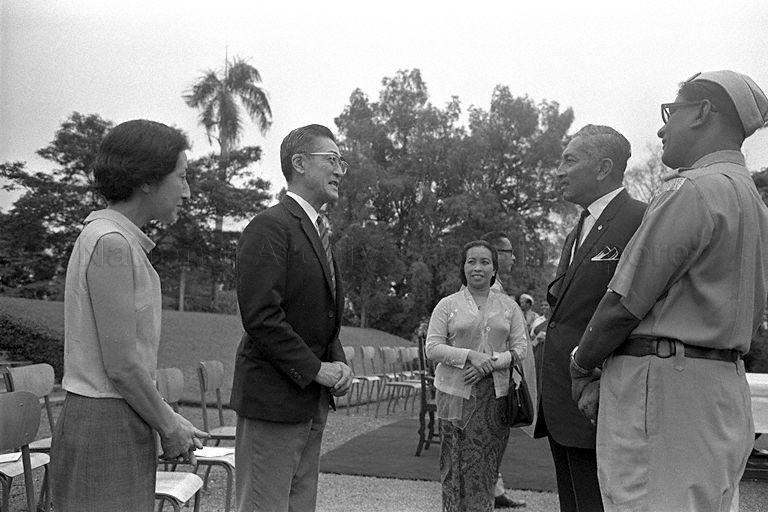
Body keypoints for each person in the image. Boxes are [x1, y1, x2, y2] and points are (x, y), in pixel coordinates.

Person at [570, 70, 768, 511]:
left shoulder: (692, 190)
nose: (662, 127)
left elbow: (624, 301)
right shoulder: (753, 201)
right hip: (722, 388)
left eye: (670, 112)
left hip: (665, 392)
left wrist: (582, 362)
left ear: (701, 112)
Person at [51, 119, 208, 512]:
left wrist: (168, 417)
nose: (186, 191)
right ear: (147, 181)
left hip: (118, 415)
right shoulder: (111, 244)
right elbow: (121, 366)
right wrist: (168, 425)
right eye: (182, 177)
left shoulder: (116, 240)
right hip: (105, 421)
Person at [231, 124, 353, 512]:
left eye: (341, 162)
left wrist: (338, 363)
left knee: (300, 505)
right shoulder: (270, 226)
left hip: (309, 399)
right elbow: (262, 316)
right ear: (299, 163)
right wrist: (316, 369)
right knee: (265, 505)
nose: (339, 170)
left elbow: (322, 313)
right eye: (331, 159)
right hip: (274, 399)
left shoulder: (319, 230)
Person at [534, 124, 646, 512]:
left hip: (600, 397)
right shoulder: (577, 228)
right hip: (563, 400)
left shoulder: (640, 220)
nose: (559, 170)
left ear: (603, 168)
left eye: (570, 160)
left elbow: (636, 310)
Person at [426, 240, 528, 512]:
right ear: (463, 268)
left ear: (494, 269)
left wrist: (492, 363)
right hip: (455, 395)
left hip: (494, 398)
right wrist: (470, 356)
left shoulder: (509, 307)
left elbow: (521, 349)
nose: (478, 267)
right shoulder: (448, 305)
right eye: (471, 261)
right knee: (454, 464)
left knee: (485, 466)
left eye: (485, 262)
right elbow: (433, 348)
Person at [482, 231, 527, 509]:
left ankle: (494, 490)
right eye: (509, 252)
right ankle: (486, 494)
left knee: (496, 436)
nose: (513, 257)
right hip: (492, 376)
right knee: (491, 436)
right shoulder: (491, 292)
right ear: (497, 255)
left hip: (500, 372)